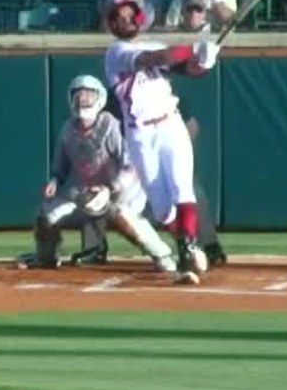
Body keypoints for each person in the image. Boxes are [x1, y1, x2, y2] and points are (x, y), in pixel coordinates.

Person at [102, 0, 218, 284]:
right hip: (140, 134)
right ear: (112, 24)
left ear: (140, 18)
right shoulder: (116, 52)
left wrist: (204, 60)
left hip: (170, 125)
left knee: (183, 189)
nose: (126, 20)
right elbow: (153, 60)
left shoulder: (154, 46)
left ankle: (187, 254)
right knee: (163, 210)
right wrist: (192, 48)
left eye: (130, 15)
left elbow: (188, 69)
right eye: (120, 17)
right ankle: (189, 243)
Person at [20, 75, 178, 274]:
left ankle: (162, 254)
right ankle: (46, 257)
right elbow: (60, 168)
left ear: (100, 99)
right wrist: (54, 181)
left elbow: (131, 164)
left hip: (116, 194)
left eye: (88, 95)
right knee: (45, 215)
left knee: (122, 217)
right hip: (81, 194)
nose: (83, 100)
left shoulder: (110, 125)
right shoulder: (68, 129)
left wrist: (111, 188)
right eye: (78, 95)